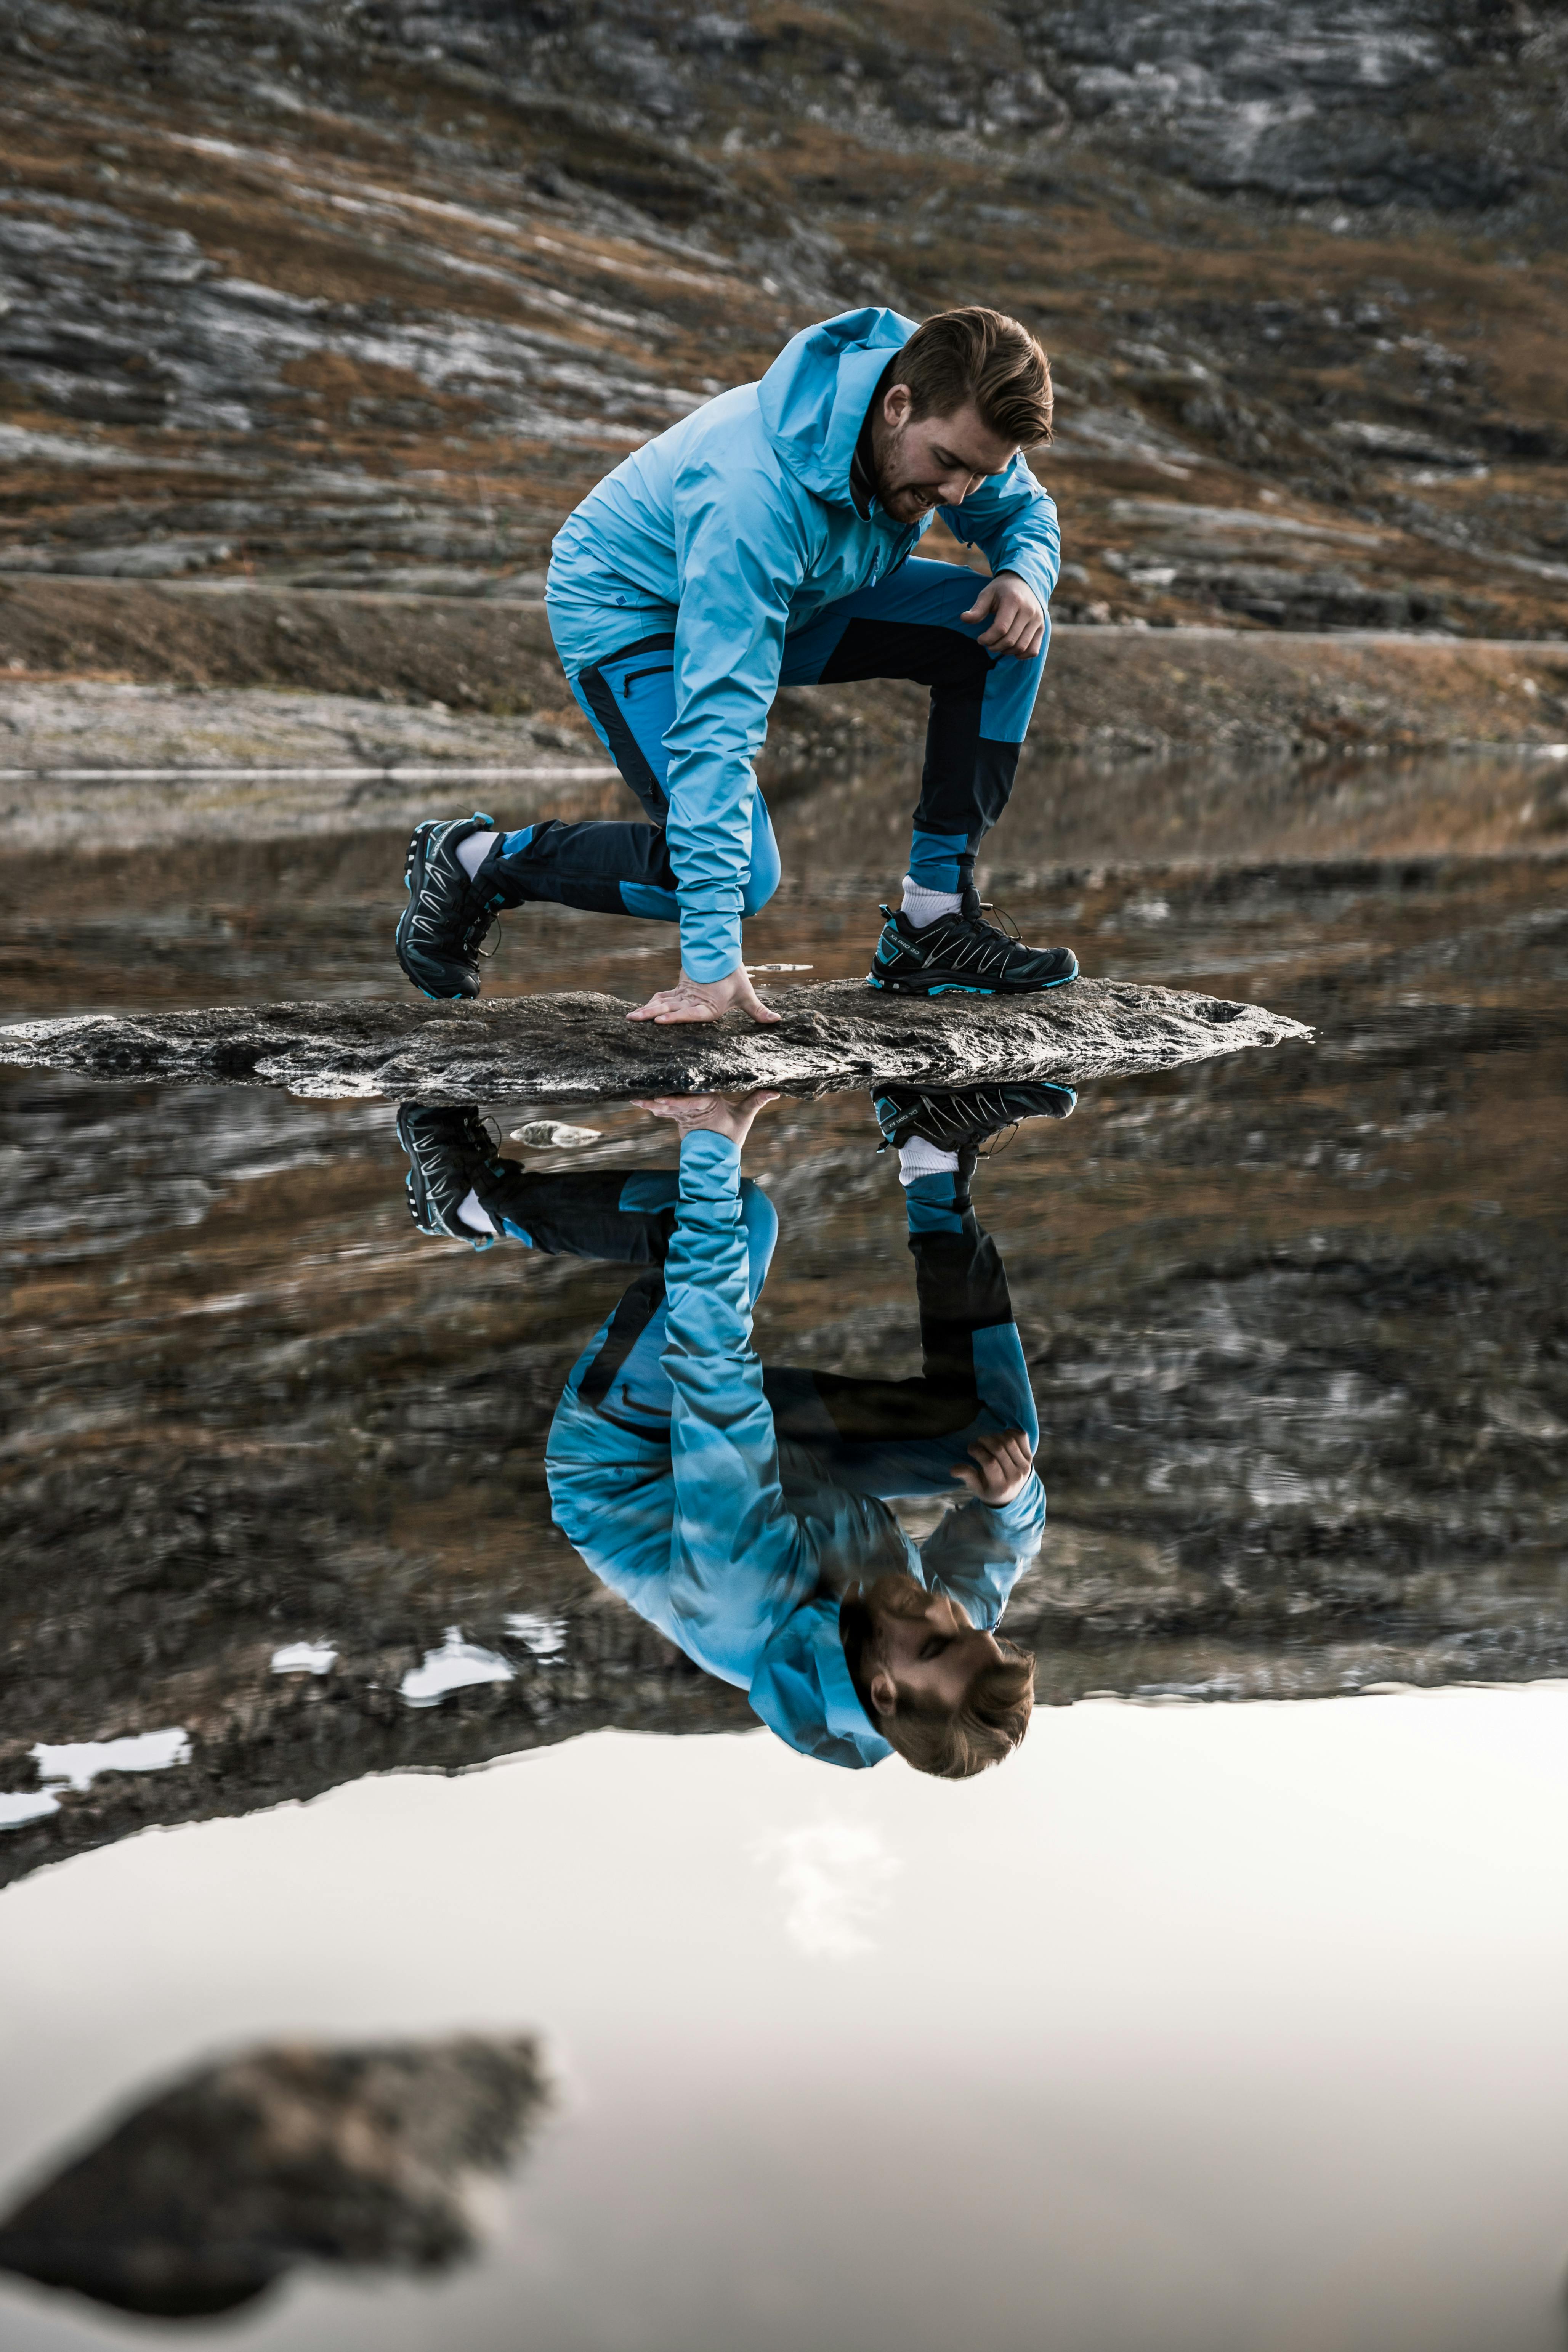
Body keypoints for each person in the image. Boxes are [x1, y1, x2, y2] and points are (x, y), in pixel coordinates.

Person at [394, 304, 1076, 1025]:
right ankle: (473, 862)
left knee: (1003, 626)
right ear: (897, 406)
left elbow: (1020, 513)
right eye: (947, 465)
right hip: (635, 608)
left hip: (801, 597)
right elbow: (717, 730)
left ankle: (932, 925)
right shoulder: (749, 496)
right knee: (744, 875)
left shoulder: (948, 394)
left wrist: (1026, 574)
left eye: (980, 473)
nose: (957, 496)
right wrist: (710, 969)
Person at [395, 1080, 1075, 1774]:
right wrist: (1008, 1501)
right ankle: (932, 1149)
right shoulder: (943, 1634)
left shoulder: (743, 1600)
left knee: (736, 1221)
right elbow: (1003, 1548)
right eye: (970, 1629)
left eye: (935, 1642)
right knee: (999, 1438)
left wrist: (710, 1142)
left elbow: (713, 1378)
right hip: (778, 1460)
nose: (947, 1611)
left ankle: (472, 1200)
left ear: (881, 1692)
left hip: (630, 1452)